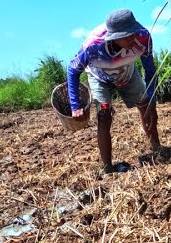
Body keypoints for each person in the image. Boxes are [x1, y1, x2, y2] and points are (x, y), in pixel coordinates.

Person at [67, 9, 163, 174]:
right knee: (103, 116)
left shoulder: (143, 37)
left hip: (127, 74)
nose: (133, 38)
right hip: (99, 78)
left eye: (133, 32)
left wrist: (152, 100)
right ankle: (108, 168)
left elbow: (150, 70)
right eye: (127, 36)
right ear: (114, 37)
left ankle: (157, 150)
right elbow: (72, 70)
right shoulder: (93, 45)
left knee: (146, 107)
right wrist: (75, 106)